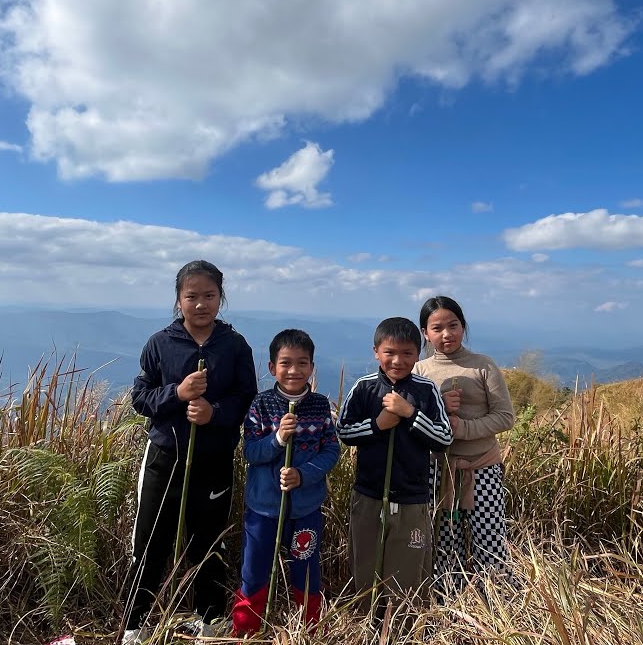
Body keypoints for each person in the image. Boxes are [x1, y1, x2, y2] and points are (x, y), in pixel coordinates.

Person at [121, 261, 258, 644]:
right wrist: (177, 394)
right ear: (178, 299)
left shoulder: (234, 346)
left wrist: (215, 413)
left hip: (213, 459)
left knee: (208, 542)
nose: (201, 304)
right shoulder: (160, 343)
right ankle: (136, 624)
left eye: (209, 296)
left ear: (221, 297)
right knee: (150, 542)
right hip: (165, 457)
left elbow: (244, 397)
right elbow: (141, 397)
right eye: (191, 296)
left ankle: (210, 621)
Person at [339, 317, 453, 623]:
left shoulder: (426, 391)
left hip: (412, 499)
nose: (397, 360)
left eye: (406, 353)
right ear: (376, 351)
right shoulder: (364, 389)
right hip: (369, 495)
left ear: (418, 353)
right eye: (390, 352)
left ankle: (404, 627)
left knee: (408, 570)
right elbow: (345, 432)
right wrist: (377, 425)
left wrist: (410, 413)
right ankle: (364, 625)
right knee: (364, 566)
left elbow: (443, 439)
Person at [232, 329, 340, 635]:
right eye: (285, 363)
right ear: (271, 368)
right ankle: (245, 631)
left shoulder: (319, 406)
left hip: (305, 508)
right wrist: (278, 438)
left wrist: (303, 475)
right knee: (254, 570)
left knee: (306, 571)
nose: (294, 371)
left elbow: (332, 450)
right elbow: (251, 452)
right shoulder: (261, 406)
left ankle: (309, 630)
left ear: (312, 367)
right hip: (264, 508)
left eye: (302, 363)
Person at [414, 295, 515, 598]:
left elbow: (505, 416)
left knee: (490, 538)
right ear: (425, 333)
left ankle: (498, 604)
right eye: (437, 328)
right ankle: (450, 604)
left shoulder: (483, 366)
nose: (447, 334)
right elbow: (415, 422)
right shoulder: (420, 370)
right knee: (445, 541)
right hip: (438, 469)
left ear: (463, 326)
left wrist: (463, 428)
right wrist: (439, 412)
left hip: (482, 466)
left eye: (453, 325)